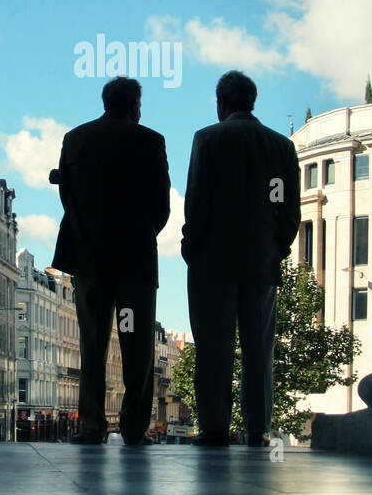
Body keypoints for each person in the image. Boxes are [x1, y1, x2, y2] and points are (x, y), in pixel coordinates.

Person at [181, 70, 300, 447]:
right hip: (260, 262)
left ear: (221, 104)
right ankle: (257, 429)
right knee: (258, 350)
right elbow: (287, 208)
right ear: (252, 101)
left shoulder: (208, 139)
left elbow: (197, 201)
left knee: (214, 348)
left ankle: (215, 428)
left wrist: (190, 246)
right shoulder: (281, 147)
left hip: (213, 261)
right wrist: (276, 248)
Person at [51, 77, 171, 446]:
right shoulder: (150, 141)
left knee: (92, 341)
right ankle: (134, 427)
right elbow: (161, 205)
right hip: (134, 262)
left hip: (89, 259)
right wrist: (142, 233)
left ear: (105, 102)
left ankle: (91, 424)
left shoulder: (75, 139)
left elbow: (68, 198)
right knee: (136, 347)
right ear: (135, 105)